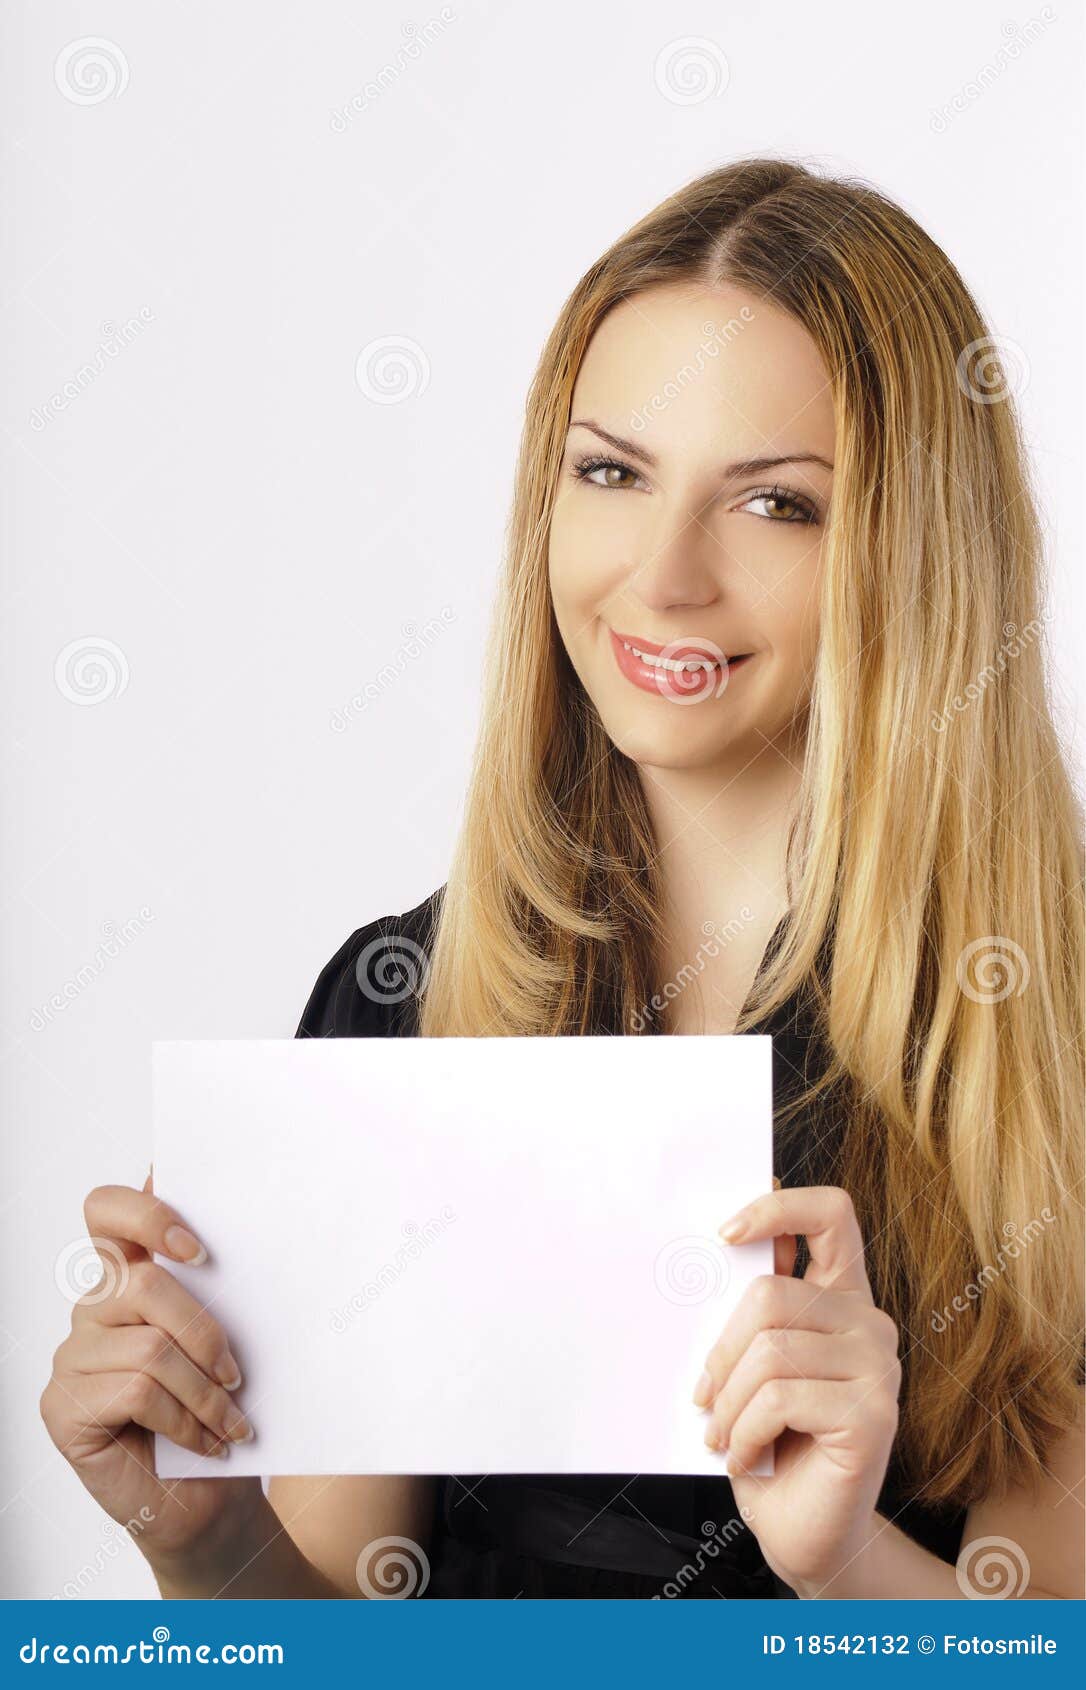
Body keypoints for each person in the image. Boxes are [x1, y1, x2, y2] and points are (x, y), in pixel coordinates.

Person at [41, 159, 1084, 1600]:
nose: (661, 577)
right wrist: (203, 1532)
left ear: (910, 558)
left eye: (774, 504)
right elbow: (342, 1648)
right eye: (611, 473)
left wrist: (842, 1555)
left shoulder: (1041, 1048)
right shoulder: (400, 997)